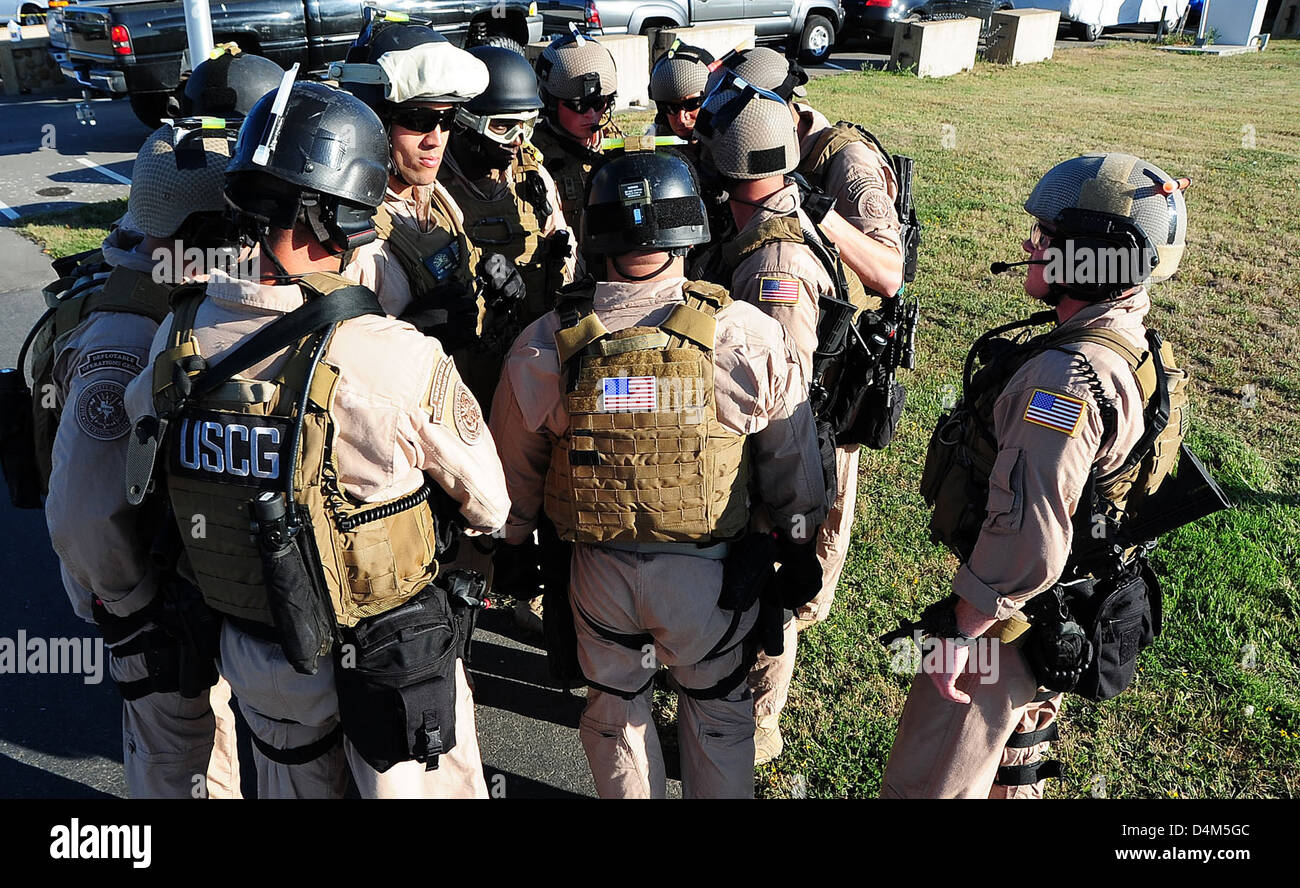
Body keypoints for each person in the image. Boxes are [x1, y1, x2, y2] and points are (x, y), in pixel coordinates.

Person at [123, 81, 510, 799]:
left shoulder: (171, 342)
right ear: (341, 207)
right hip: (394, 650)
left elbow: (141, 479)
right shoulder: (389, 352)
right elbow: (490, 502)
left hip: (259, 654)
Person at [488, 149, 829, 798]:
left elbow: (514, 474)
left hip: (599, 576)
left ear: (596, 237)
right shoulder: (744, 333)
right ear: (692, 230)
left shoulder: (543, 344)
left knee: (615, 715)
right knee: (720, 715)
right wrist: (796, 541)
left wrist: (511, 547)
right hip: (711, 576)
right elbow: (793, 466)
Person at [881, 152, 1193, 798]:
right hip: (1063, 613)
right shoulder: (1132, 342)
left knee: (932, 779)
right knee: (1014, 769)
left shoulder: (1065, 379)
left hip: (1011, 627)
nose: (1029, 244)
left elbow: (1030, 537)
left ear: (1092, 254)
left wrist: (964, 632)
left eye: (1045, 237)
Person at [41, 119, 252, 799]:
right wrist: (133, 609)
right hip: (157, 594)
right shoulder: (128, 335)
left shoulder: (189, 301)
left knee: (211, 735)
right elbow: (81, 513)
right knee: (176, 754)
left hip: (205, 576)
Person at [694, 74, 868, 766]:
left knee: (771, 588)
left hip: (781, 458)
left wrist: (772, 503)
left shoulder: (774, 264)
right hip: (775, 448)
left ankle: (759, 725)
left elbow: (778, 393)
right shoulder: (765, 227)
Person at [438, 44, 579, 634]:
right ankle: (459, 603)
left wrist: (556, 260)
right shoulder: (438, 191)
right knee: (465, 502)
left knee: (534, 488)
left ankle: (521, 588)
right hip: (466, 371)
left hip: (530, 365)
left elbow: (561, 249)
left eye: (526, 125)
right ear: (465, 122)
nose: (516, 141)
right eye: (503, 127)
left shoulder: (532, 177)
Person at [710, 47, 905, 300]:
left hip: (838, 316)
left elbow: (890, 276)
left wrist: (815, 208)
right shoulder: (754, 153)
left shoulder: (849, 163)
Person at [531, 28, 619, 242]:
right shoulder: (534, 158)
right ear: (549, 103)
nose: (591, 114)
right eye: (578, 105)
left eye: (598, 104)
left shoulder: (616, 143)